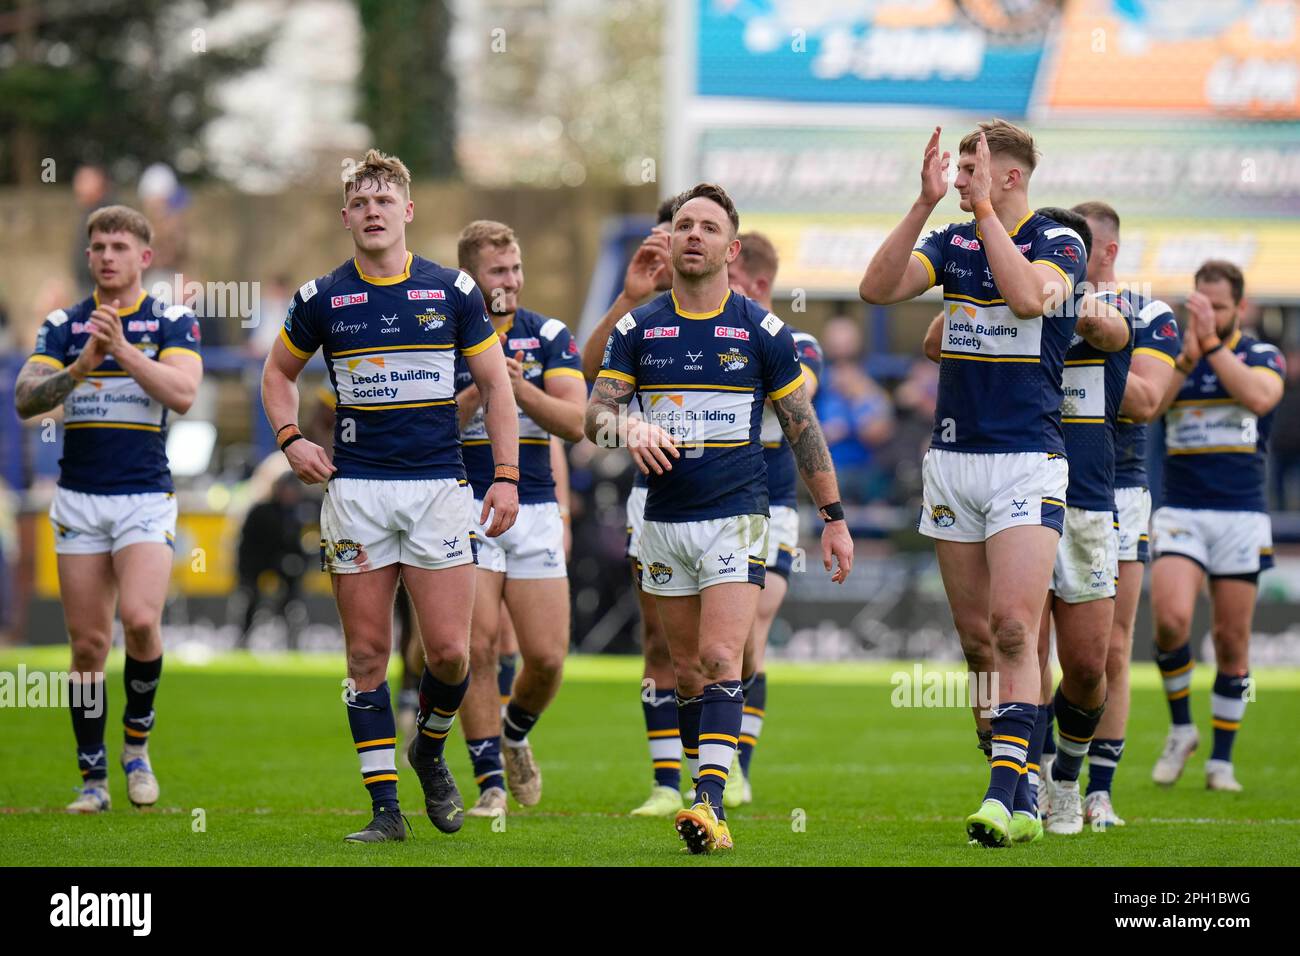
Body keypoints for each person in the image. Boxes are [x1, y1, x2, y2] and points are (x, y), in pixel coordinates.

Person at [260, 148, 520, 842]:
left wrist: (505, 474)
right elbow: (276, 374)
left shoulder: (452, 291)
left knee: (450, 655)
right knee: (366, 656)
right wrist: (290, 439)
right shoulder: (322, 299)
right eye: (360, 202)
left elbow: (496, 388)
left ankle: (429, 750)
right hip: (356, 493)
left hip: (439, 490)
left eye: (385, 200)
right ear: (346, 215)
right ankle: (384, 811)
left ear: (407, 211)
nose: (372, 211)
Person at [587, 182, 853, 854]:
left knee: (719, 654)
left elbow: (802, 426)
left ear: (731, 250)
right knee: (685, 674)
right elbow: (595, 414)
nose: (694, 235)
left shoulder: (762, 331)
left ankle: (709, 804)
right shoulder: (636, 328)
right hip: (662, 522)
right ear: (670, 241)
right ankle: (697, 791)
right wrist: (628, 430)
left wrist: (834, 516)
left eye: (709, 227)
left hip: (737, 517)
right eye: (684, 225)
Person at [860, 120, 1088, 847]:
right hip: (953, 462)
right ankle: (1017, 790)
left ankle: (999, 797)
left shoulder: (1060, 245)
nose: (961, 181)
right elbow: (877, 289)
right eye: (959, 171)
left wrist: (984, 212)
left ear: (1008, 177)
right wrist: (924, 205)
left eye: (970, 171)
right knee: (977, 643)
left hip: (1027, 457)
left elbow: (1027, 301)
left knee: (1018, 627)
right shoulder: (951, 241)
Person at [14, 204, 203, 812]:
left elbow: (184, 393)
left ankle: (136, 747)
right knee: (89, 646)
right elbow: (25, 398)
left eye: (119, 246)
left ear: (144, 258)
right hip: (80, 498)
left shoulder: (169, 319)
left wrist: (123, 350)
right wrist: (81, 367)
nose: (106, 257)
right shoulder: (64, 324)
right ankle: (93, 779)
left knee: (143, 621)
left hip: (145, 496)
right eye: (98, 247)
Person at [451, 220, 586, 818]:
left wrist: (518, 387)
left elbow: (577, 422)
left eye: (515, 268)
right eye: (497, 271)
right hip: (465, 505)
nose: (510, 281)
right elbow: (429, 428)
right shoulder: (444, 335)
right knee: (476, 651)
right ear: (471, 278)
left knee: (549, 657)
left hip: (532, 507)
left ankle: (513, 733)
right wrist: (481, 390)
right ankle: (489, 785)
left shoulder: (549, 334)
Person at [1149, 260, 1285, 793]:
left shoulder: (1259, 355)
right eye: (1199, 307)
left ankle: (1221, 760)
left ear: (1240, 309)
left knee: (1231, 641)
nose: (1206, 316)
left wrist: (1210, 346)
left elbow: (1257, 396)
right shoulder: (1177, 358)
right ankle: (1182, 729)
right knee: (1171, 621)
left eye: (1218, 308)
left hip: (1241, 514)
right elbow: (1147, 409)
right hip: (1181, 509)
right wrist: (1186, 358)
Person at [1071, 200, 1181, 829]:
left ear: (1107, 251)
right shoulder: (1042, 297)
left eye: (1077, 247)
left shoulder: (1150, 312)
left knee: (1111, 647)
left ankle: (1099, 789)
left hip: (1118, 490)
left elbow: (1143, 401)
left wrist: (1100, 336)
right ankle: (1031, 779)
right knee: (1028, 642)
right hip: (1042, 480)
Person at [580, 195, 690, 818]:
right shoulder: (639, 319)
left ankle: (712, 778)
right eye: (672, 232)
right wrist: (627, 295)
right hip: (652, 498)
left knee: (714, 652)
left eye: (692, 231)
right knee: (659, 641)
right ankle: (666, 783)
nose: (679, 244)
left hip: (728, 500)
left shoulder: (741, 317)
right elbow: (584, 378)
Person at [723, 231, 824, 807]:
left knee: (748, 637)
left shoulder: (795, 339)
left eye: (733, 285)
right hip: (707, 503)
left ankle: (736, 763)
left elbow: (799, 393)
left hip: (774, 506)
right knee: (708, 647)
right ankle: (707, 760)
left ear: (757, 286)